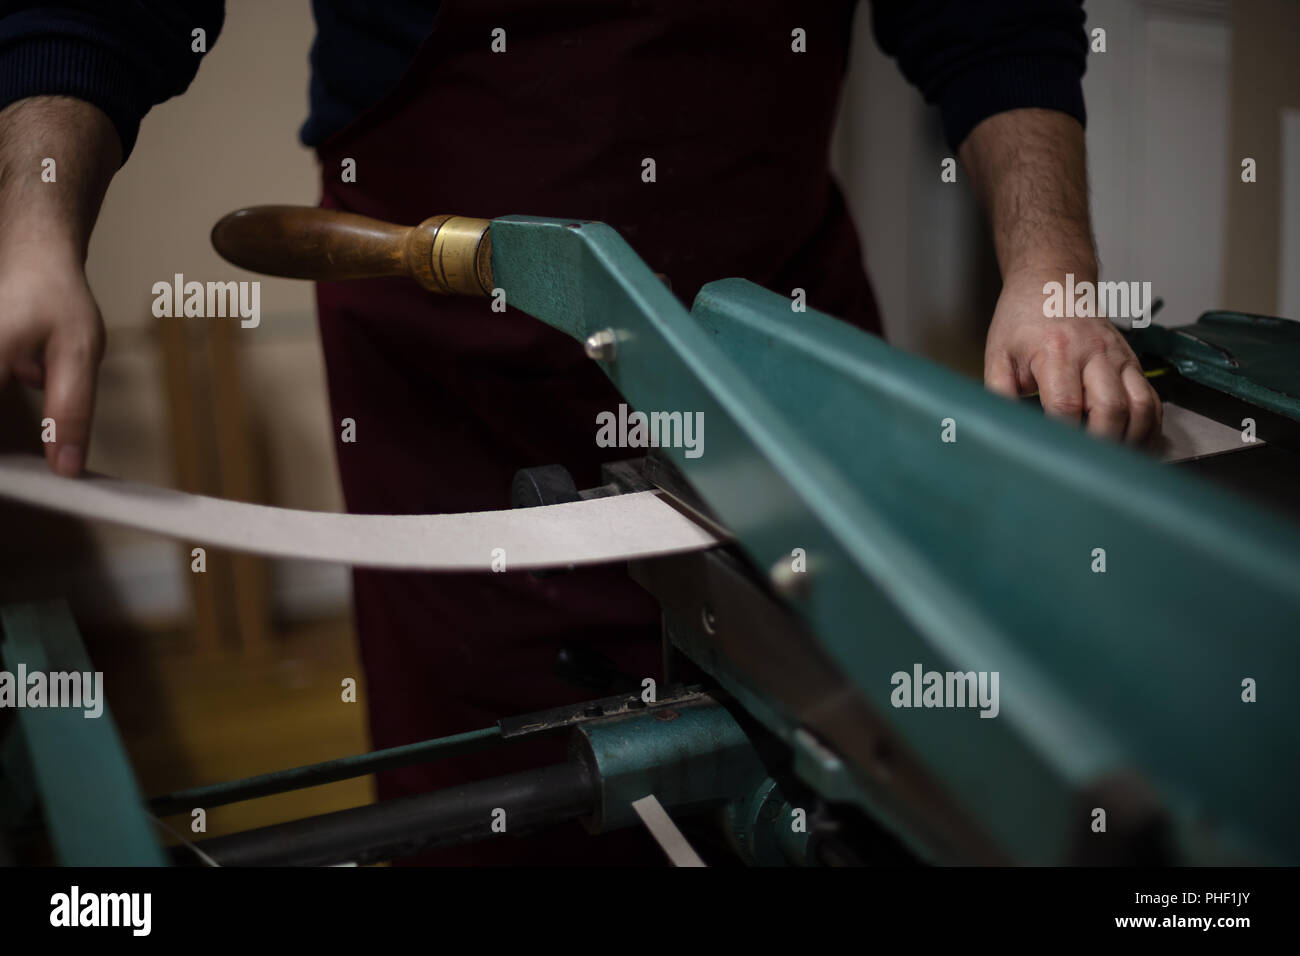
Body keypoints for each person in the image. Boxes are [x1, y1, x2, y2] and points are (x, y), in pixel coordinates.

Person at [0, 1, 1161, 865]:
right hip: (450, 381)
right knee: (493, 792)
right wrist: (38, 220)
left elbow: (990, 13)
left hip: (759, 336)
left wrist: (1050, 261)